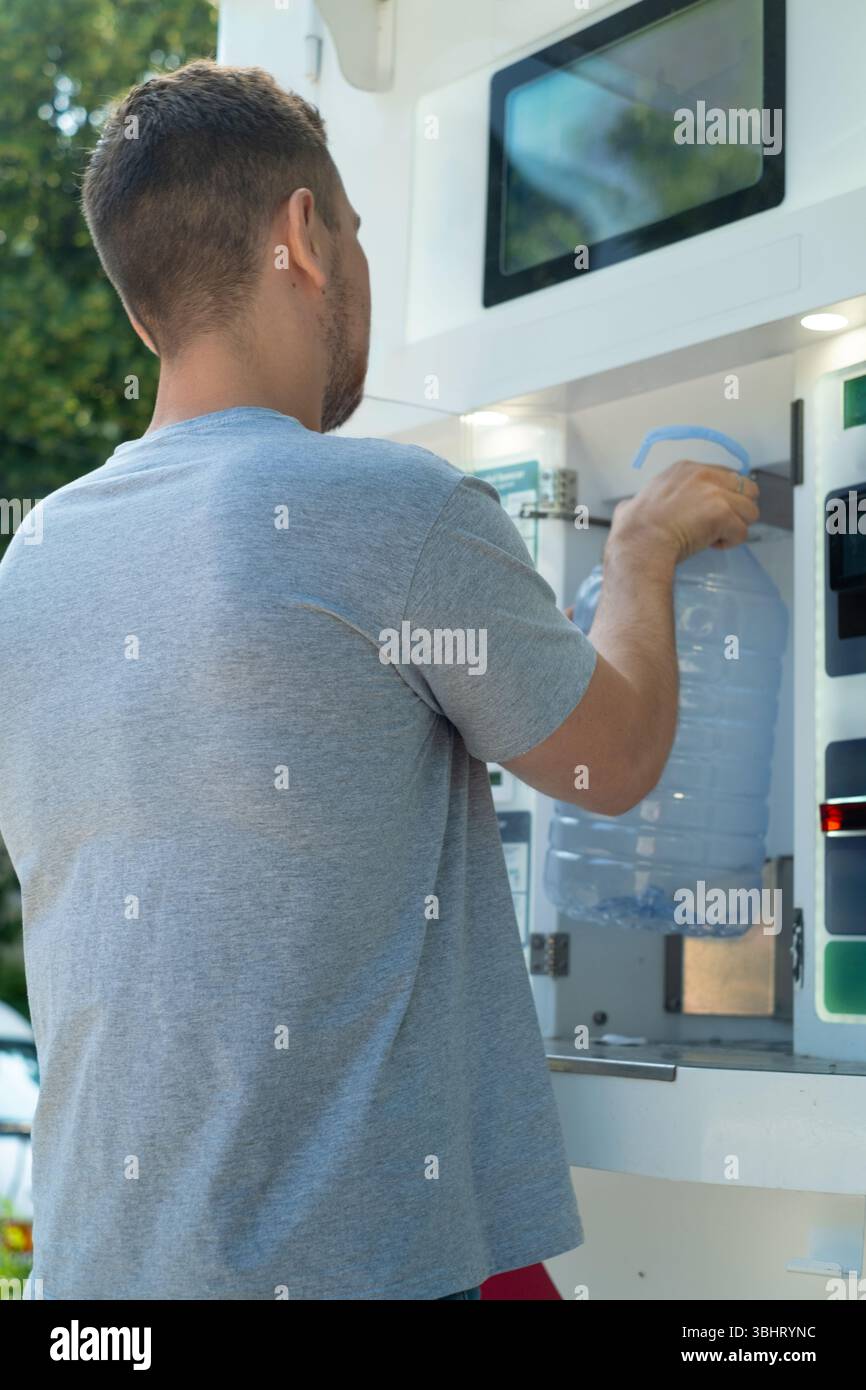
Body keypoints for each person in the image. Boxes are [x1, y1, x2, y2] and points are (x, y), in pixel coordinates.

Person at [0, 60, 759, 1301]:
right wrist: (641, 546)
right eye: (351, 228)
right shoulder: (386, 506)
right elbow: (607, 763)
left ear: (145, 314)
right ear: (303, 235)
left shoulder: (30, 564)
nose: (356, 260)